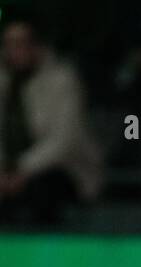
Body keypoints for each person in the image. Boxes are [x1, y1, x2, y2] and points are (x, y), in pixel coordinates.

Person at [0, 16, 102, 224]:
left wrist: (21, 171)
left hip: (61, 169)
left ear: (37, 47)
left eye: (20, 43)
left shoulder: (62, 80)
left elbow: (63, 142)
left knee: (43, 189)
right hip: (7, 172)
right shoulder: (3, 81)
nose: (13, 51)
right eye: (8, 44)